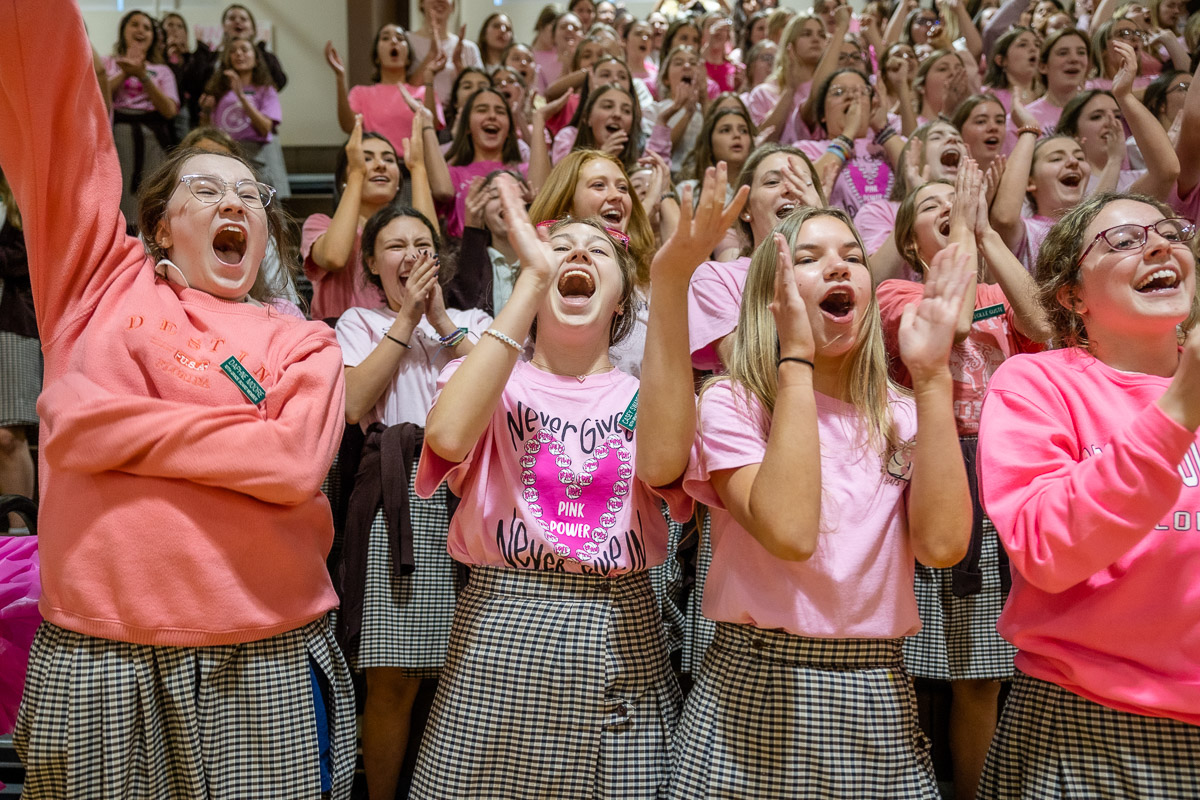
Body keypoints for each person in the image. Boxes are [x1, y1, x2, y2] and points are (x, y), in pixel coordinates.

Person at [0, 1, 354, 796]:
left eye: (251, 195)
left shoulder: (302, 341)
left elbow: (293, 461)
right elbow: (51, 84)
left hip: (262, 656)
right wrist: (231, 440)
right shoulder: (93, 281)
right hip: (97, 655)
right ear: (160, 226)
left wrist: (95, 424)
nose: (236, 201)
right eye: (207, 188)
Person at [408, 166, 743, 800]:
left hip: (619, 626)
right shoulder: (494, 375)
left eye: (599, 251)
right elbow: (447, 439)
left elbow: (665, 466)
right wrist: (528, 283)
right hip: (501, 623)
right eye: (560, 247)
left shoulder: (642, 394)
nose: (580, 252)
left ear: (621, 299)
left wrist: (670, 281)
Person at [674, 204, 973, 798]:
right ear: (772, 300)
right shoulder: (734, 402)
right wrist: (795, 362)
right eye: (808, 259)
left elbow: (942, 547)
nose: (838, 267)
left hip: (877, 684)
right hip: (755, 682)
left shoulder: (905, 411)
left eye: (852, 257)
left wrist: (934, 377)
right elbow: (789, 531)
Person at [976, 192, 1200, 797]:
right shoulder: (1038, 383)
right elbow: (1046, 548)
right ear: (1072, 295)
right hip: (1087, 723)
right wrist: (1180, 404)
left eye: (1170, 232)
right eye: (1124, 241)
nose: (1160, 245)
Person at [881, 162, 1051, 800]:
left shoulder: (1002, 293)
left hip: (1002, 480)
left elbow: (1045, 326)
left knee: (981, 676)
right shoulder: (895, 293)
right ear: (908, 243)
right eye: (934, 206)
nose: (952, 208)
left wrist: (988, 236)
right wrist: (965, 244)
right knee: (908, 669)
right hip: (933, 474)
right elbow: (945, 325)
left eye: (958, 200)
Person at [334, 203, 490, 800]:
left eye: (421, 243)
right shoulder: (357, 322)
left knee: (467, 678)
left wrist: (441, 318)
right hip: (400, 498)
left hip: (474, 498)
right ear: (373, 262)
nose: (410, 255)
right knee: (393, 678)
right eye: (394, 246)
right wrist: (404, 319)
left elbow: (504, 386)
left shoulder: (473, 320)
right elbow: (353, 403)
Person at [304, 118, 432, 322]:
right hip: (338, 340)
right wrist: (356, 174)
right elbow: (334, 257)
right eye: (366, 159)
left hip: (402, 334)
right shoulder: (319, 224)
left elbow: (431, 251)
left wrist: (417, 168)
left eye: (389, 160)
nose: (380, 165)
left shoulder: (406, 231)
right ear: (344, 178)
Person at [103, 10, 181, 224]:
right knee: (118, 197)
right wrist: (127, 71)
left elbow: (169, 110)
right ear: (123, 30)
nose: (140, 30)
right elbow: (99, 95)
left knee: (154, 197)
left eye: (147, 27)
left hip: (153, 136)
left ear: (153, 37)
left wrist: (143, 75)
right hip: (117, 135)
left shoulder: (162, 71)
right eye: (134, 24)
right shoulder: (107, 64)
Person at [325, 24, 441, 163]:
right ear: (377, 57)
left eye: (400, 38)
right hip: (375, 167)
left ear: (409, 57)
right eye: (385, 38)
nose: (393, 41)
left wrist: (429, 79)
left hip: (416, 168)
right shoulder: (361, 93)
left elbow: (431, 126)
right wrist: (340, 77)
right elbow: (348, 126)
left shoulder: (424, 92)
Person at [199, 36, 288, 194]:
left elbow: (265, 127)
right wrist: (206, 111)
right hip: (224, 154)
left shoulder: (266, 90)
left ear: (256, 60)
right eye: (233, 51)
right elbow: (207, 131)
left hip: (255, 157)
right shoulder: (219, 90)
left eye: (244, 50)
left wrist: (241, 96)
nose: (238, 54)